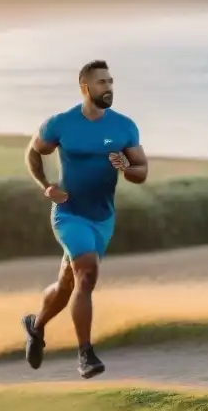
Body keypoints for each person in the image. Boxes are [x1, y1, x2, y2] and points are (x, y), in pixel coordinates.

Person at [20, 60, 148, 379]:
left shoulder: (124, 127)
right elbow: (34, 153)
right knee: (87, 275)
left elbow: (141, 172)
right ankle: (86, 355)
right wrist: (47, 186)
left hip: (102, 219)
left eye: (111, 82)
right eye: (102, 82)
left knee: (68, 284)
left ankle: (36, 325)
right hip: (69, 214)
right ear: (85, 88)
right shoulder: (61, 123)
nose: (109, 88)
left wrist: (125, 167)